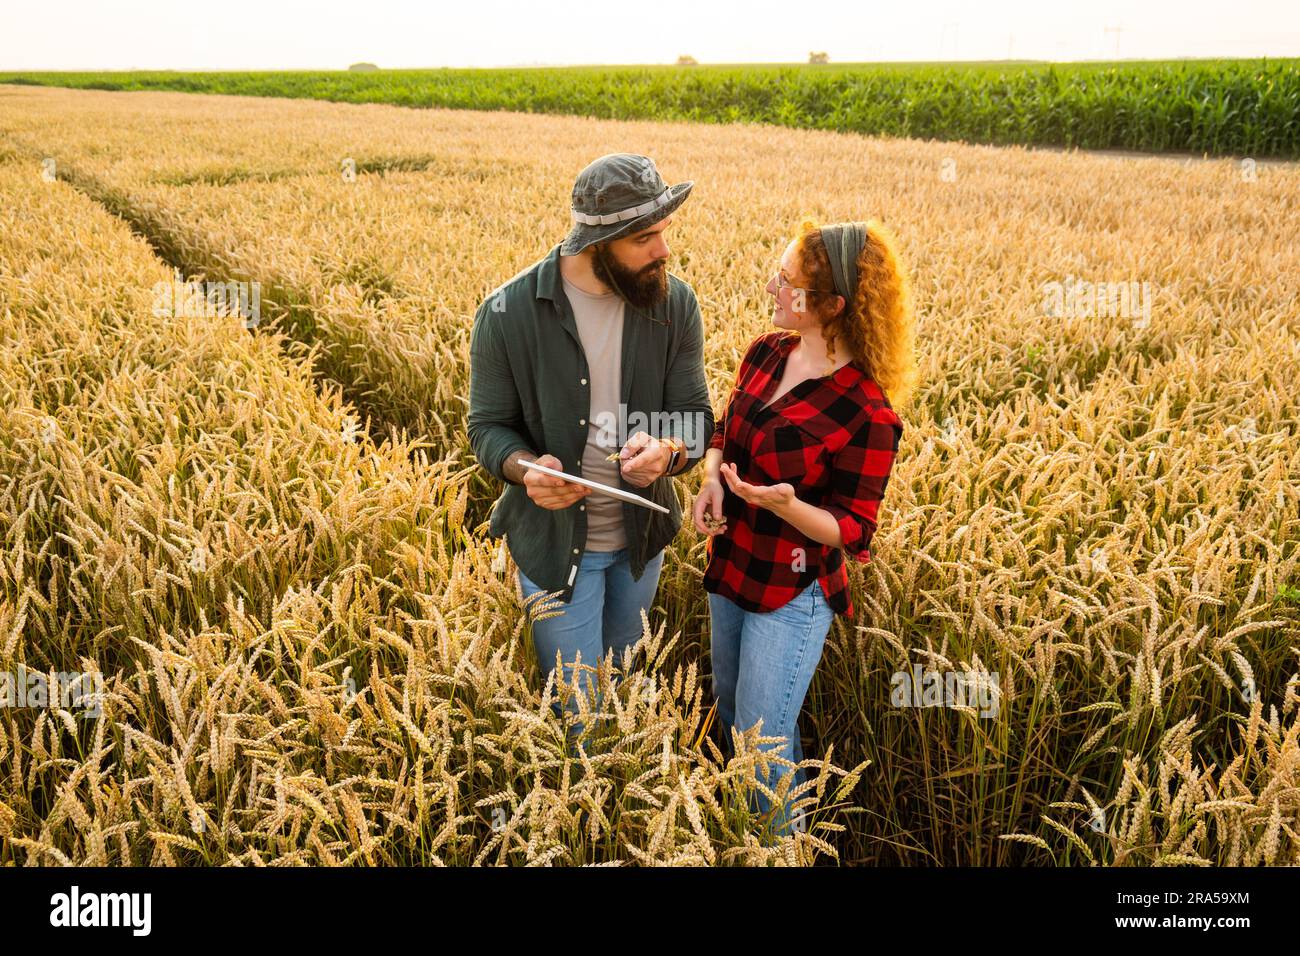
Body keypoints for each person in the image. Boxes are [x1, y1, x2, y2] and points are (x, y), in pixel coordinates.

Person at [468, 153, 714, 750]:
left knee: (624, 691)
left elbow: (697, 421)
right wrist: (525, 468)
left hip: (640, 543)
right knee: (581, 716)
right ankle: (588, 820)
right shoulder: (507, 313)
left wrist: (669, 450)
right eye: (645, 238)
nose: (663, 251)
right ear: (598, 242)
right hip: (553, 549)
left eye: (663, 233)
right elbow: (487, 428)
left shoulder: (674, 305)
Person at [692, 218, 917, 837]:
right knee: (736, 716)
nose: (772, 287)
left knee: (761, 749)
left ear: (832, 305)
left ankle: (778, 848)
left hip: (793, 593)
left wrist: (784, 504)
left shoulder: (868, 411)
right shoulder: (766, 351)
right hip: (734, 562)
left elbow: (852, 529)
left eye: (787, 281)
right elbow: (725, 427)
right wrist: (713, 476)